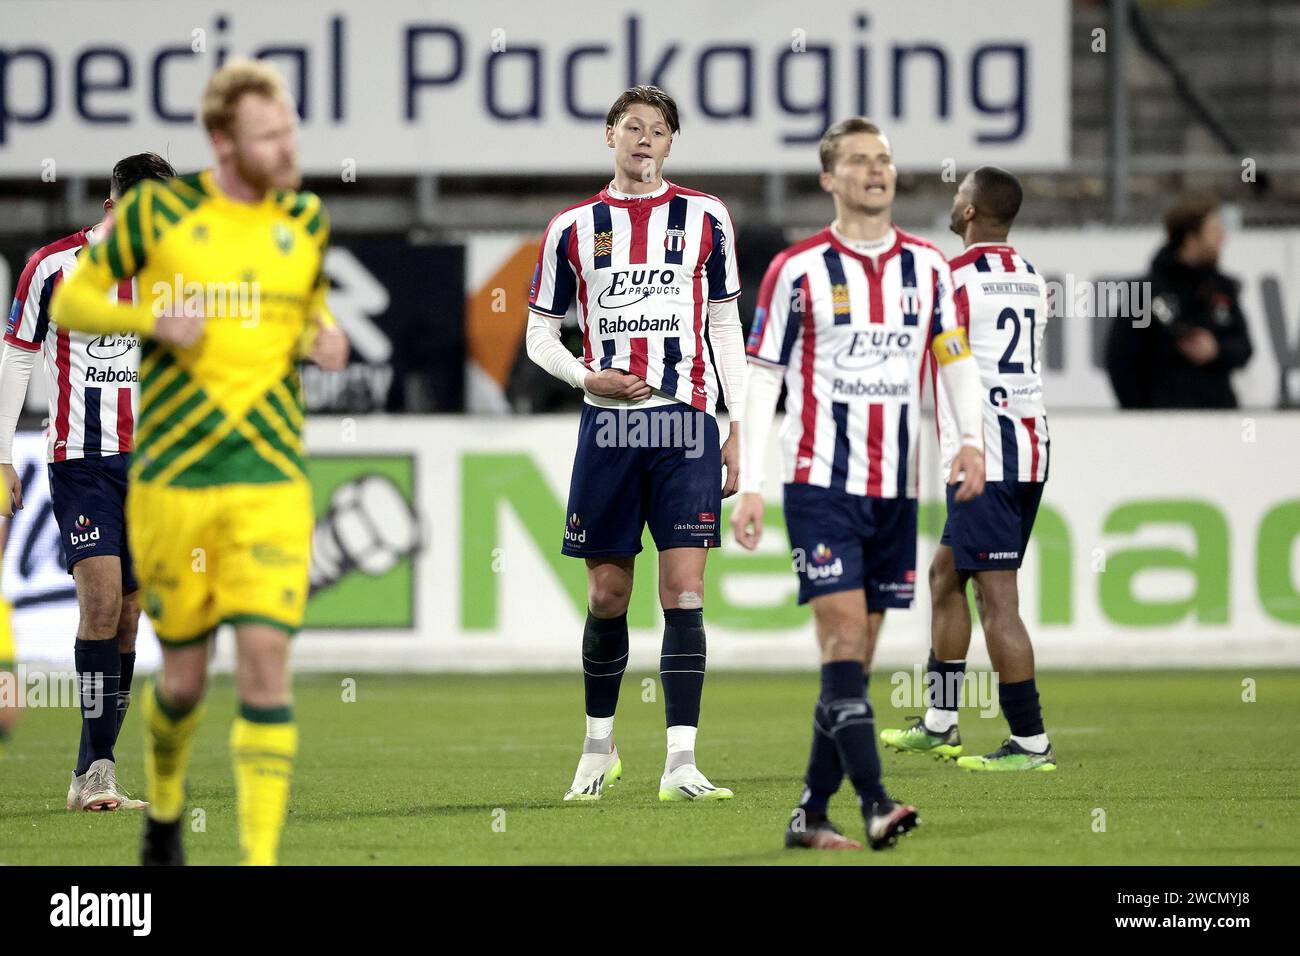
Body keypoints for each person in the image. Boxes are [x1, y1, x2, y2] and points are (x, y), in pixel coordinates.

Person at [51, 59, 350, 865]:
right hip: (174, 484)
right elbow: (70, 303)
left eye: (290, 127)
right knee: (180, 682)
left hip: (271, 483)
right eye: (268, 133)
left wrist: (322, 337)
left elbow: (305, 308)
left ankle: (257, 857)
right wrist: (158, 317)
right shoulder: (163, 224)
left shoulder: (305, 220)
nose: (287, 145)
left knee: (263, 669)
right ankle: (163, 810)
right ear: (224, 141)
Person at [731, 118, 986, 850]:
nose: (876, 170)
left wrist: (969, 440)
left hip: (895, 488)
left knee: (855, 660)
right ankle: (876, 801)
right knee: (842, 636)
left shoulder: (930, 267)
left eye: (884, 160)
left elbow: (955, 360)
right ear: (829, 178)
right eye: (859, 161)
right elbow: (763, 377)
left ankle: (810, 812)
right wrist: (752, 483)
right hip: (819, 482)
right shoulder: (796, 270)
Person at [526, 85, 748, 803]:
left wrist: (736, 424)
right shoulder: (571, 228)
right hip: (611, 425)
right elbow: (538, 334)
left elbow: (724, 329)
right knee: (607, 593)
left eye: (657, 130)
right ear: (609, 136)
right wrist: (586, 375)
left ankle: (681, 763)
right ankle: (599, 748)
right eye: (632, 127)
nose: (644, 139)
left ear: (671, 144)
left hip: (685, 422)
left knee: (684, 592)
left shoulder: (707, 218)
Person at [1, 151, 178, 811]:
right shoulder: (53, 266)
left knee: (131, 614)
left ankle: (91, 772)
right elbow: (17, 356)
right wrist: (1, 456)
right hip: (80, 461)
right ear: (113, 206)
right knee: (101, 602)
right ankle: (95, 768)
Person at [879, 166, 1057, 772]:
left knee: (997, 600)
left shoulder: (951, 281)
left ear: (973, 213)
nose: (952, 204)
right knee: (944, 575)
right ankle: (940, 720)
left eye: (959, 197)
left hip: (984, 456)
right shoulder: (1031, 279)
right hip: (1029, 447)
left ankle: (1030, 741)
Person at [1106, 197, 1252, 408]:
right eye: (1214, 231)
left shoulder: (1222, 287)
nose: (1222, 239)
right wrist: (1141, 416)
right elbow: (1121, 361)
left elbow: (1244, 347)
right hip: (1163, 420)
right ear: (1191, 238)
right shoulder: (1145, 292)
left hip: (1219, 418)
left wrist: (1216, 350)